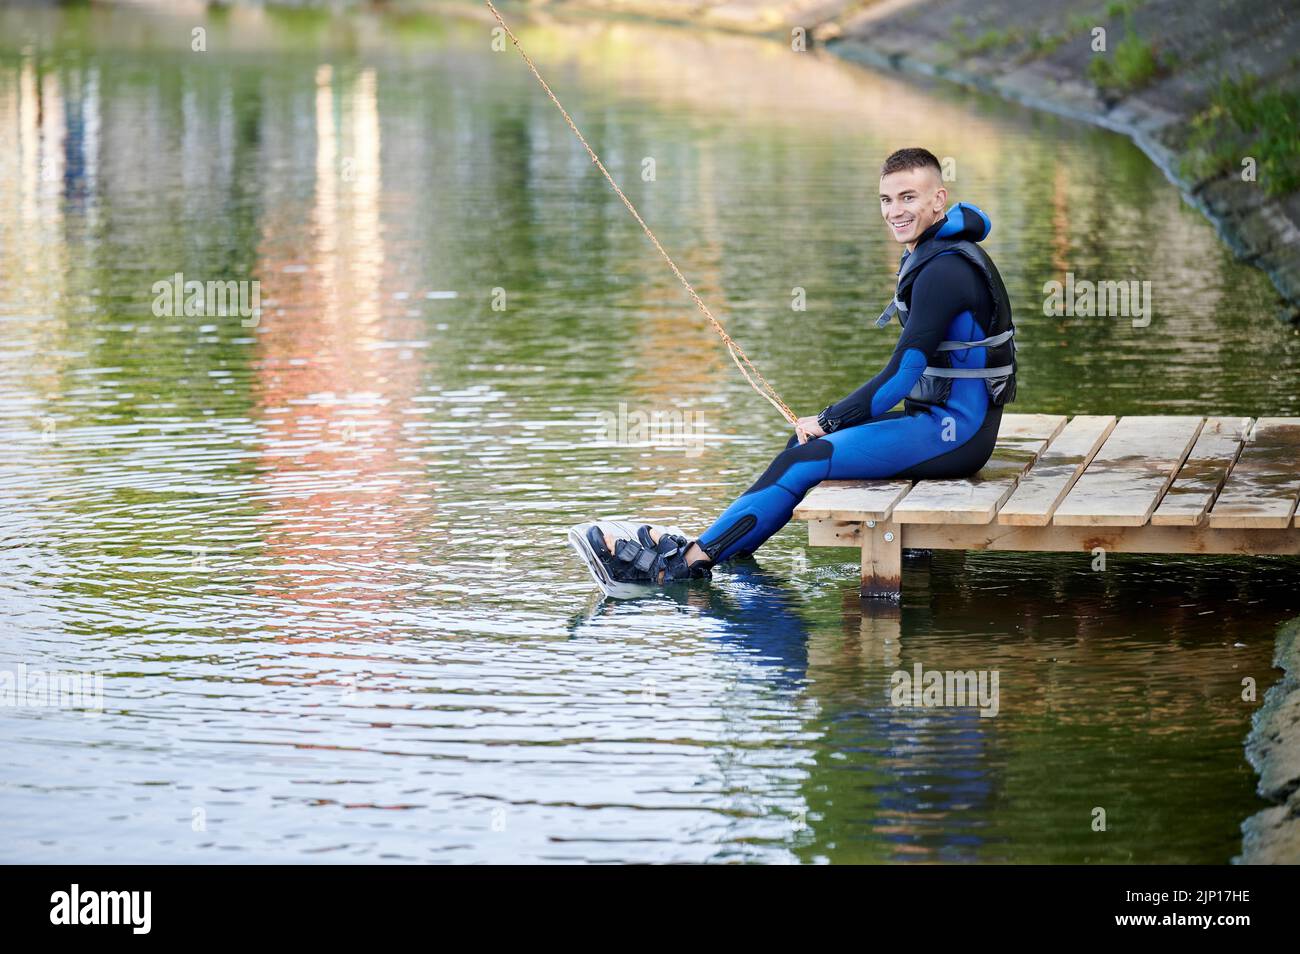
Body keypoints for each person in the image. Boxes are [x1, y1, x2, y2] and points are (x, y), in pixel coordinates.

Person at [585, 147, 1018, 586]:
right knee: (797, 448)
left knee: (805, 460)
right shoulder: (937, 251)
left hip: (956, 437)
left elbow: (899, 379)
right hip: (944, 425)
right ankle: (725, 547)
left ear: (938, 199)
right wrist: (829, 422)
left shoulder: (945, 271)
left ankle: (681, 568)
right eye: (886, 200)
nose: (894, 211)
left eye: (908, 198)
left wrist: (829, 420)